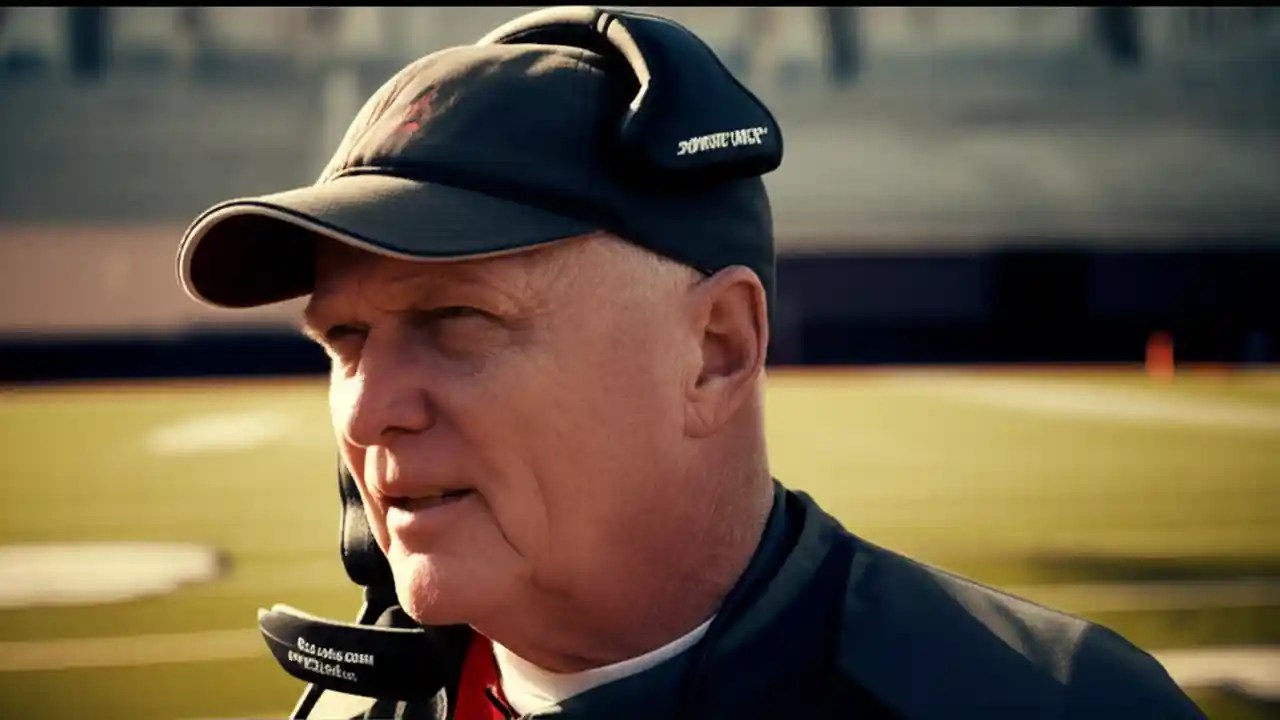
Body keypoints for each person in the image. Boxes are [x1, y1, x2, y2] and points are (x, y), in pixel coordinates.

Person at [175, 7, 1204, 719]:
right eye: (344, 340)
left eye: (454, 317)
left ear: (716, 352)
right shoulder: (351, 707)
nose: (367, 411)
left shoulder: (1049, 708)